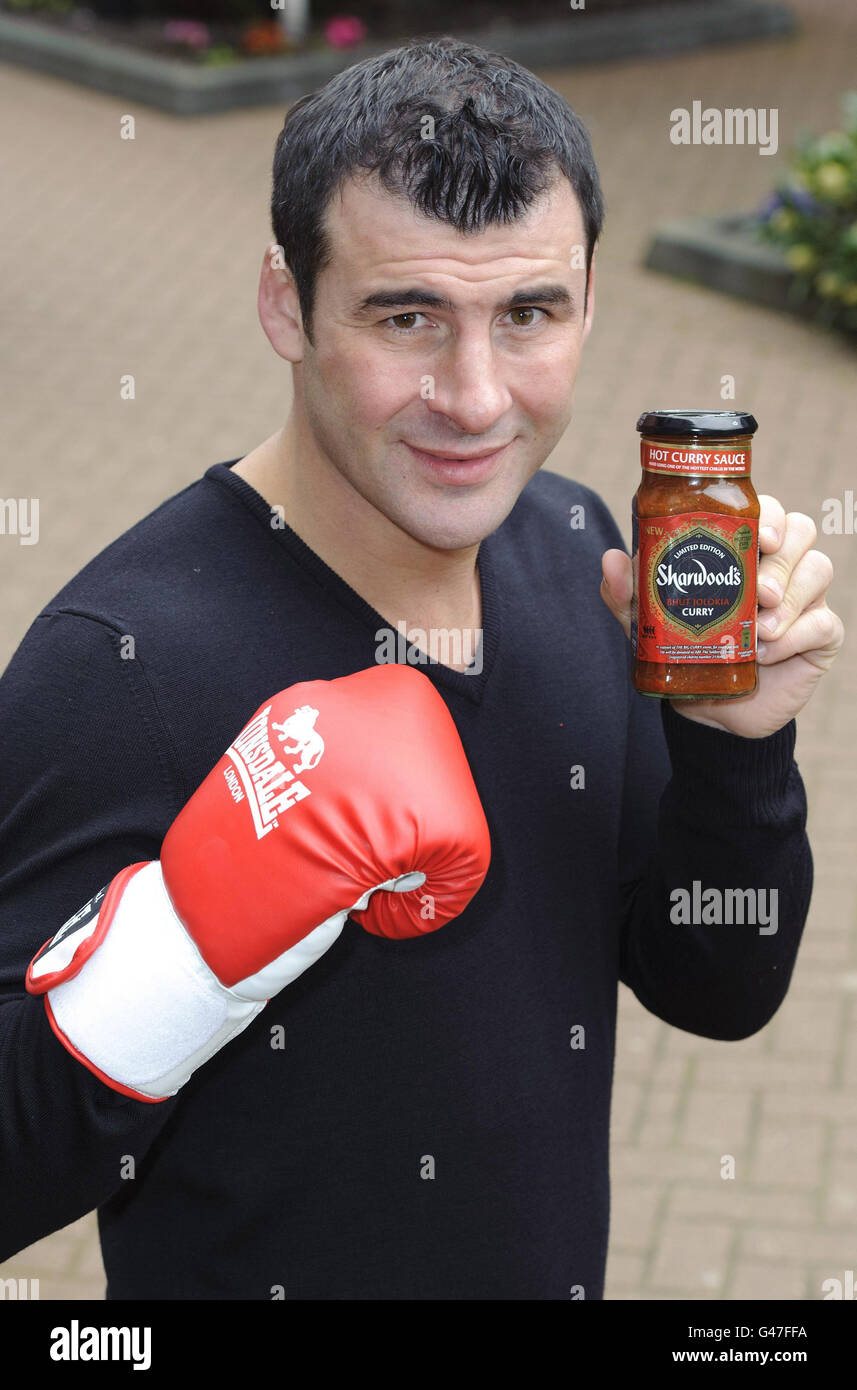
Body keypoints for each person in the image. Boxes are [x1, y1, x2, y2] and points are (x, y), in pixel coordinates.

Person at [0, 35, 843, 1300]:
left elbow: (715, 987)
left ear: (588, 300)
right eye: (407, 317)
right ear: (285, 303)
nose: (473, 396)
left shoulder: (580, 552)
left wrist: (740, 751)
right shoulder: (124, 661)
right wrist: (180, 952)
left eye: (527, 314)